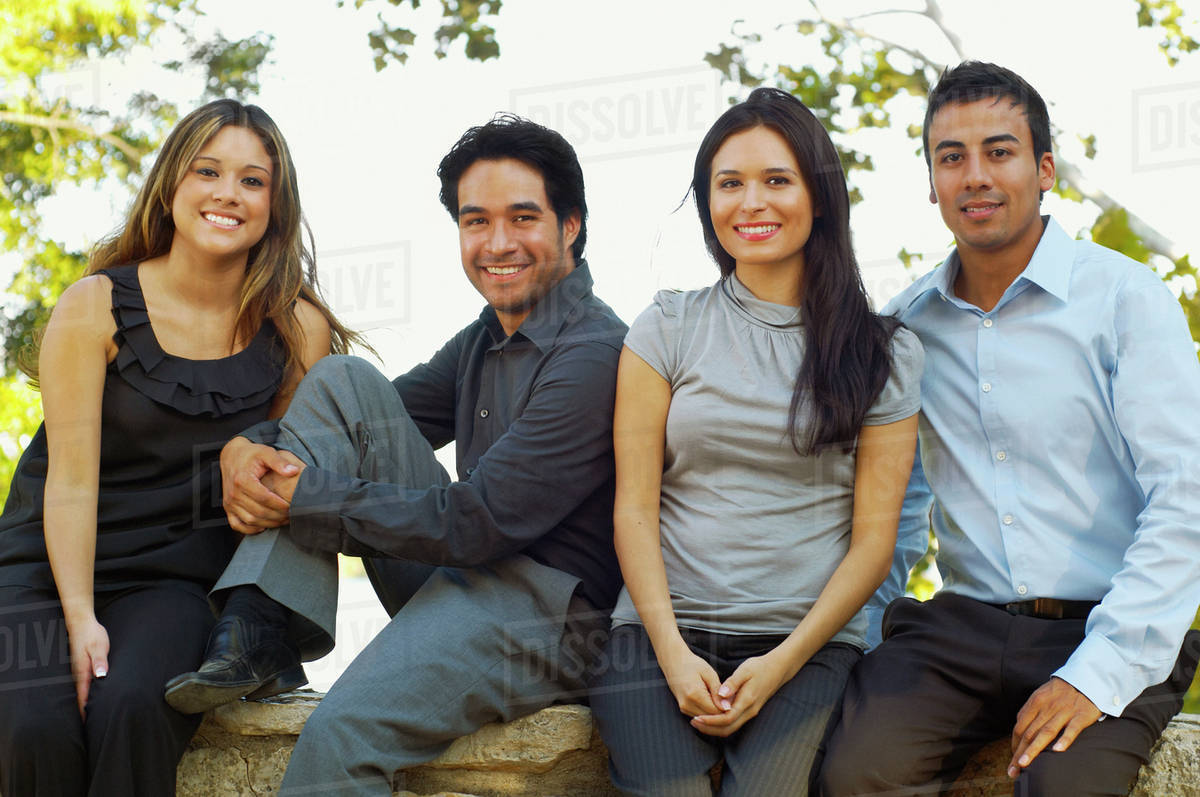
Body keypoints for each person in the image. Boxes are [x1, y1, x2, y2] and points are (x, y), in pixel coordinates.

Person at [163, 114, 627, 794]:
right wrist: (248, 445)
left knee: (341, 738)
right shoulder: (485, 337)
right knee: (341, 380)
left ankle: (261, 624)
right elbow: (363, 415)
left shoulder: (594, 352)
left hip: (545, 613)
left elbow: (478, 520)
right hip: (466, 578)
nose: (497, 243)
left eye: (523, 218)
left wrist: (304, 497)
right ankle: (259, 619)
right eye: (475, 221)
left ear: (571, 226)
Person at [818, 61, 1200, 797]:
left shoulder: (1124, 299)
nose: (975, 177)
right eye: (951, 158)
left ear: (1044, 167)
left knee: (1061, 787)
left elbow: (1185, 498)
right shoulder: (907, 326)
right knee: (854, 772)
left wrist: (1096, 675)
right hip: (960, 632)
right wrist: (855, 642)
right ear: (931, 183)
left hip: (1107, 620)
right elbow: (889, 508)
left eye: (999, 151)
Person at [0, 99, 357, 796]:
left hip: (174, 582)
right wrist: (79, 619)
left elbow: (280, 475)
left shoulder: (295, 328)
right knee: (35, 726)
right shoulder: (92, 306)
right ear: (172, 185)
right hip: (46, 568)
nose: (228, 193)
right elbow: (69, 481)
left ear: (275, 205)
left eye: (253, 181)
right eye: (208, 171)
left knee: (132, 706)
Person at [585, 87, 922, 797]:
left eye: (777, 180)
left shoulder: (883, 351)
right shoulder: (667, 327)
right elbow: (635, 509)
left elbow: (873, 544)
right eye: (728, 183)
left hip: (808, 646)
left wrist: (783, 662)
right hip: (654, 636)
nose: (751, 202)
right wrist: (672, 654)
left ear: (819, 196)